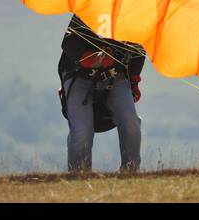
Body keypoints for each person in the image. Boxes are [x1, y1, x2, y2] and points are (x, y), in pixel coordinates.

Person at [57, 15, 145, 173]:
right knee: (82, 130)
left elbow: (139, 50)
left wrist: (133, 81)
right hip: (78, 76)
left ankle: (130, 172)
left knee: (131, 122)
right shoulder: (90, 6)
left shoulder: (133, 13)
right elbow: (68, 43)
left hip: (114, 77)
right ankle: (79, 175)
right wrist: (94, 60)